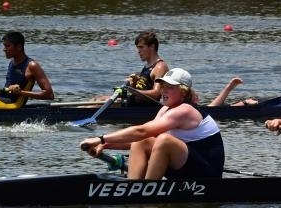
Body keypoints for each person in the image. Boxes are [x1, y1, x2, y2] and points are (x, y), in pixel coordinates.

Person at [80, 68, 225, 179]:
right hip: (185, 166)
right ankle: (133, 188)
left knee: (163, 140)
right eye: (162, 86)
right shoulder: (165, 110)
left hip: (207, 175)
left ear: (183, 92)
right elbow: (140, 137)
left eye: (169, 87)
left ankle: (148, 190)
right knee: (142, 141)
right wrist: (104, 145)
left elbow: (141, 130)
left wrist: (100, 138)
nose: (163, 91)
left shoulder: (185, 110)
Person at [120, 30, 168, 105]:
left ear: (152, 46)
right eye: (138, 48)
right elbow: (144, 88)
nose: (138, 51)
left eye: (141, 47)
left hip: (144, 111)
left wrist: (133, 90)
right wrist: (135, 82)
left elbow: (156, 94)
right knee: (101, 98)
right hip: (134, 105)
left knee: (97, 105)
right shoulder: (147, 65)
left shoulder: (160, 67)